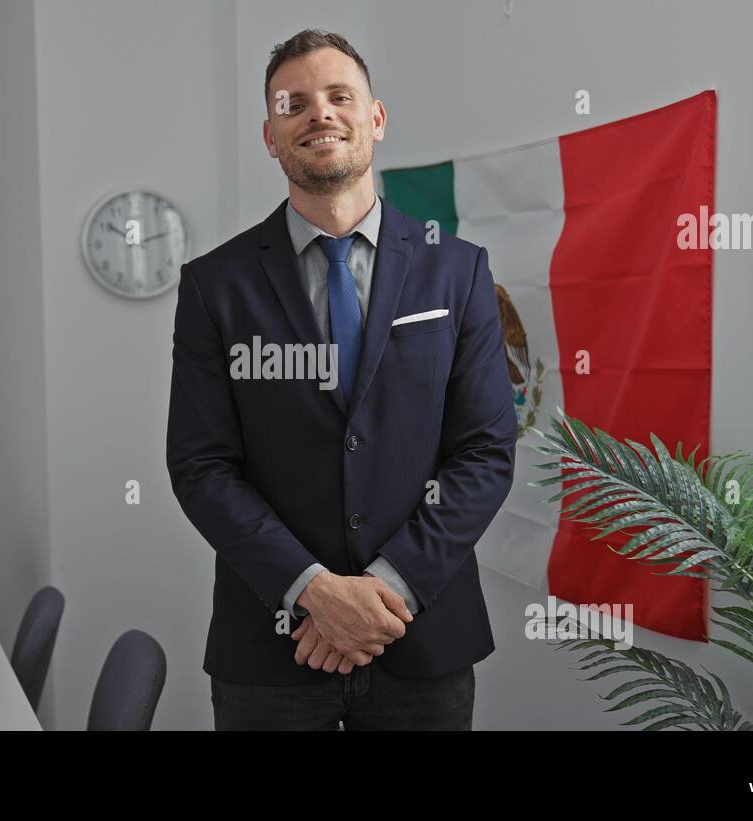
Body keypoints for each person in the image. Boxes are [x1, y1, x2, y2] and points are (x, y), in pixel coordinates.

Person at [166, 28, 517, 730]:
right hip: (272, 647)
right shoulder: (215, 285)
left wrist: (383, 593)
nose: (318, 113)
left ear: (375, 119)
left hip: (422, 641)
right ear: (271, 136)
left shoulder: (459, 270)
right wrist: (314, 592)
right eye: (294, 103)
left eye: (339, 96)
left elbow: (485, 453)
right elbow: (202, 465)